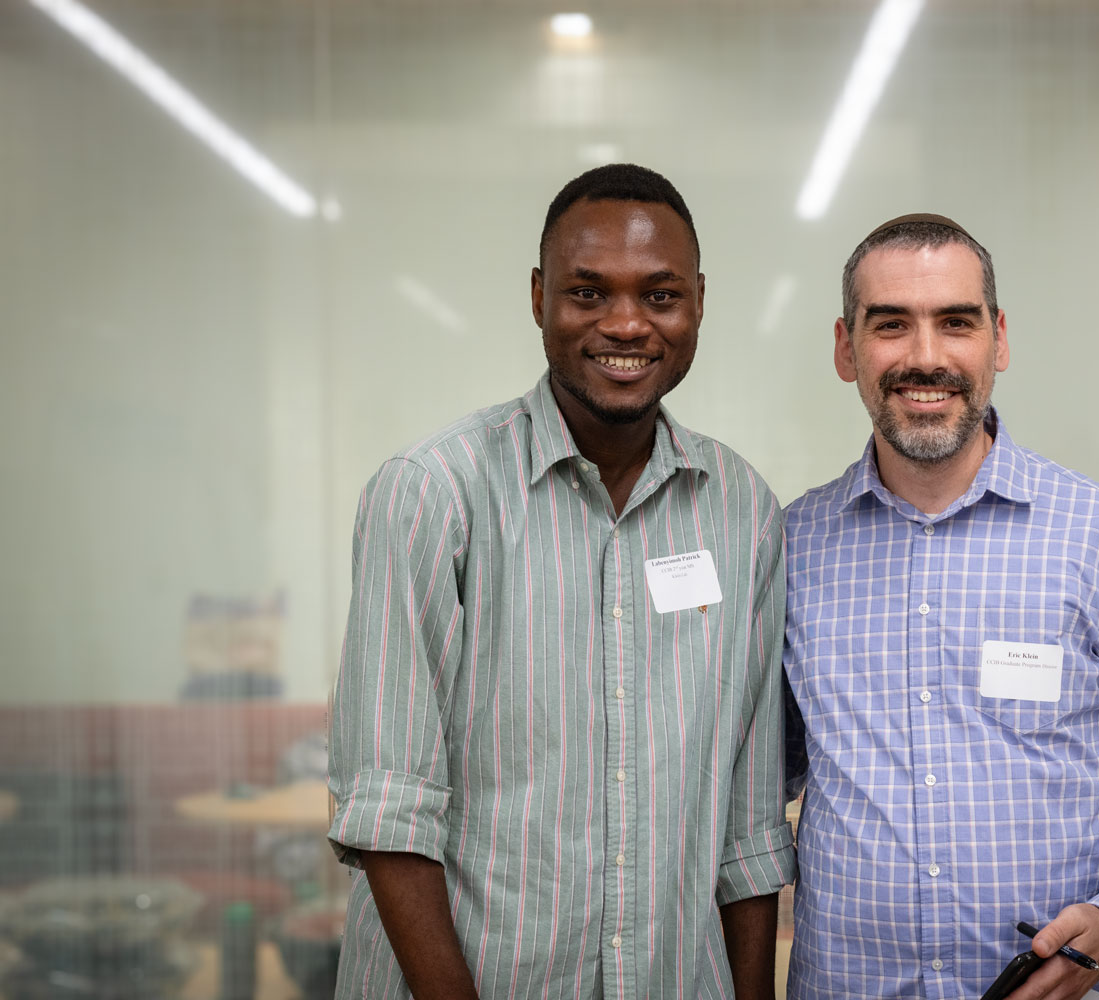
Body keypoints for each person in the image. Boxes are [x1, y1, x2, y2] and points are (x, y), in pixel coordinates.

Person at [327, 164, 794, 1000]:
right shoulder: (434, 494)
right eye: (588, 292)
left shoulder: (744, 513)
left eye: (659, 296)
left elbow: (748, 831)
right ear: (539, 296)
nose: (625, 324)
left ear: (697, 304)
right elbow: (389, 812)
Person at [782, 213, 1099, 1000]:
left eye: (956, 322)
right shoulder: (791, 549)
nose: (926, 356)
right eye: (891, 325)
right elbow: (756, 777)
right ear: (847, 349)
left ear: (999, 340)